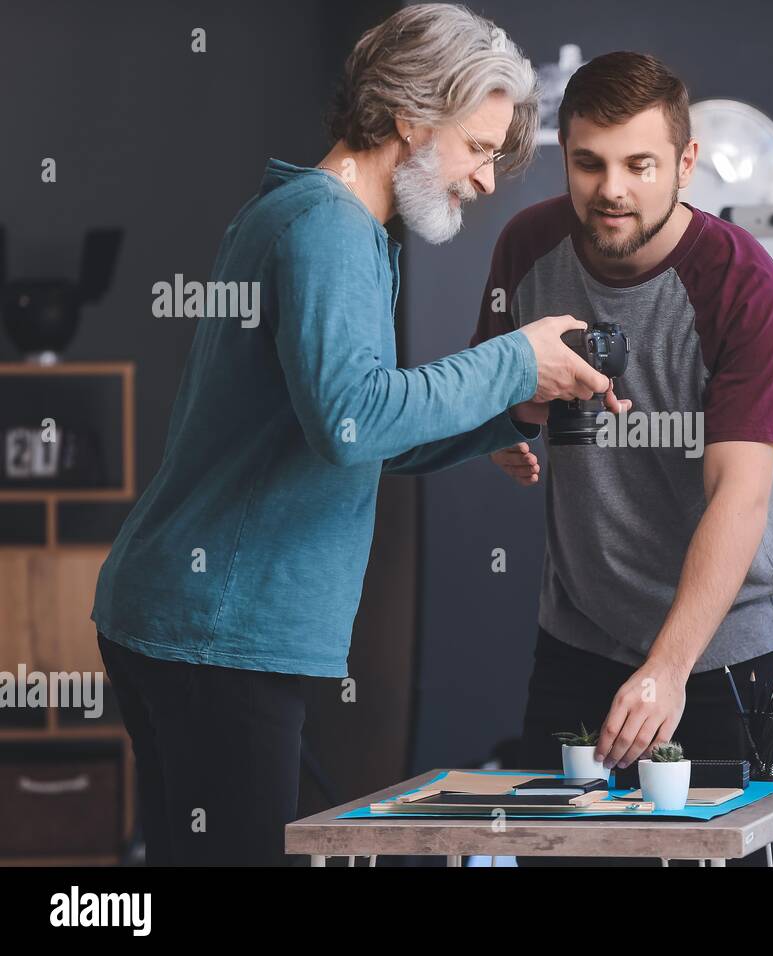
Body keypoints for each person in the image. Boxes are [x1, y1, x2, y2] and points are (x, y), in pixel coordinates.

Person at [91, 3, 621, 866]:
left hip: (201, 628)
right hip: (221, 634)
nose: (488, 180)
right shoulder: (330, 227)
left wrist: (500, 415)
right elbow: (353, 420)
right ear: (413, 116)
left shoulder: (333, 223)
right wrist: (515, 363)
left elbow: (346, 421)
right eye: (479, 149)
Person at [471, 52, 773, 864]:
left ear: (687, 164)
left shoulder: (742, 284)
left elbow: (741, 496)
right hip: (578, 633)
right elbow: (489, 389)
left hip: (725, 652)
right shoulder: (527, 248)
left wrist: (668, 668)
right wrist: (508, 430)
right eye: (588, 163)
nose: (610, 188)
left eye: (639, 164)